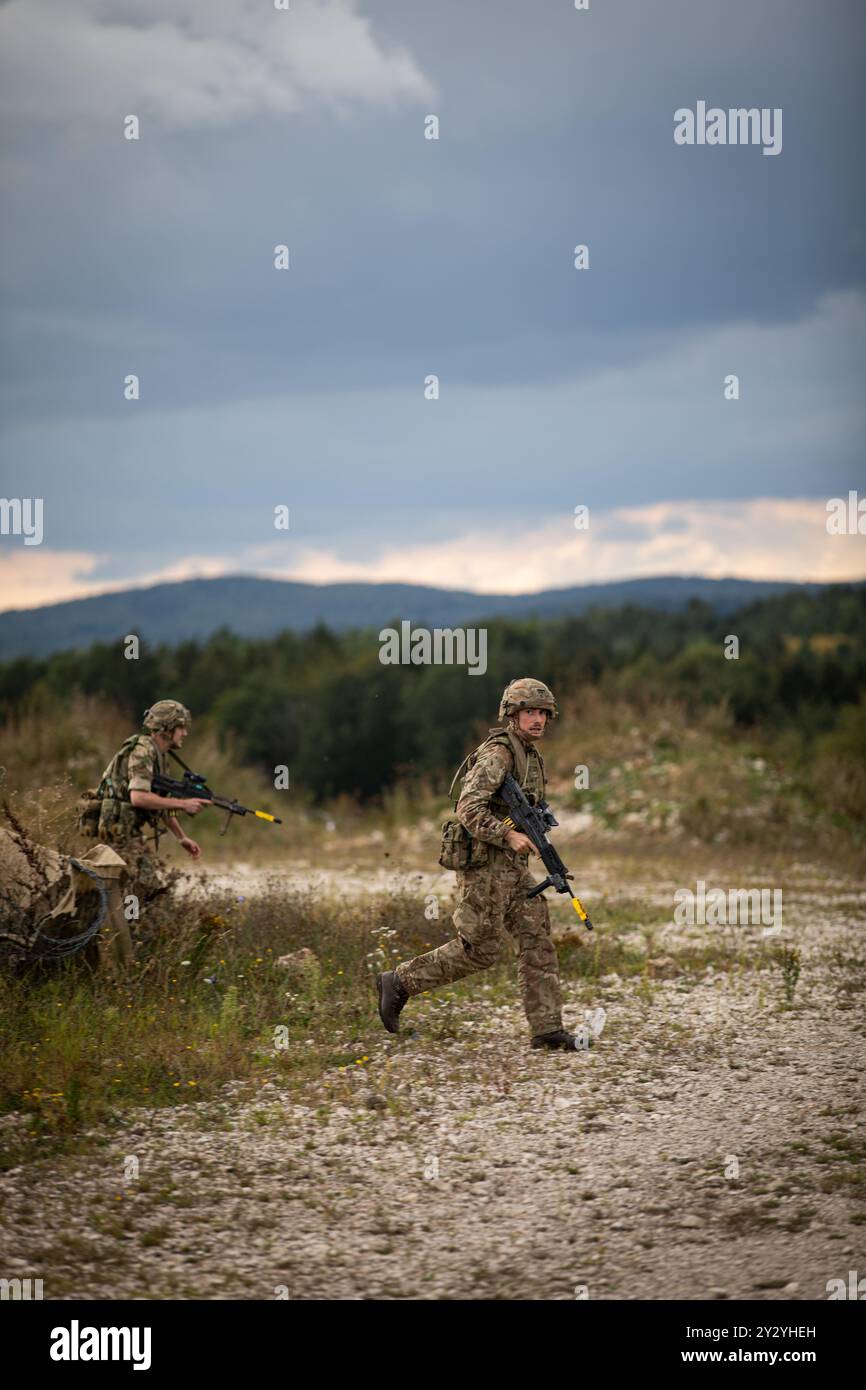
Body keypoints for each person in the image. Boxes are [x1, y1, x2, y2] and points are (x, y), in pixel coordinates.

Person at [377, 678, 587, 1051]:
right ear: (512, 714)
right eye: (528, 712)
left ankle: (547, 1029)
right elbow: (468, 808)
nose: (537, 719)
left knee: (536, 940)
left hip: (513, 867)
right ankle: (400, 981)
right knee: (480, 949)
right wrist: (506, 835)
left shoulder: (530, 755)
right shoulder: (499, 755)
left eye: (542, 713)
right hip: (486, 867)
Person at [85, 699, 210, 902]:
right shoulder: (143, 751)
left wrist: (181, 837)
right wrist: (183, 804)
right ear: (167, 729)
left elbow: (160, 801)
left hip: (126, 832)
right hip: (116, 831)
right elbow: (139, 797)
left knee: (133, 891)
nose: (185, 733)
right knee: (147, 890)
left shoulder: (160, 756)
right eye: (181, 727)